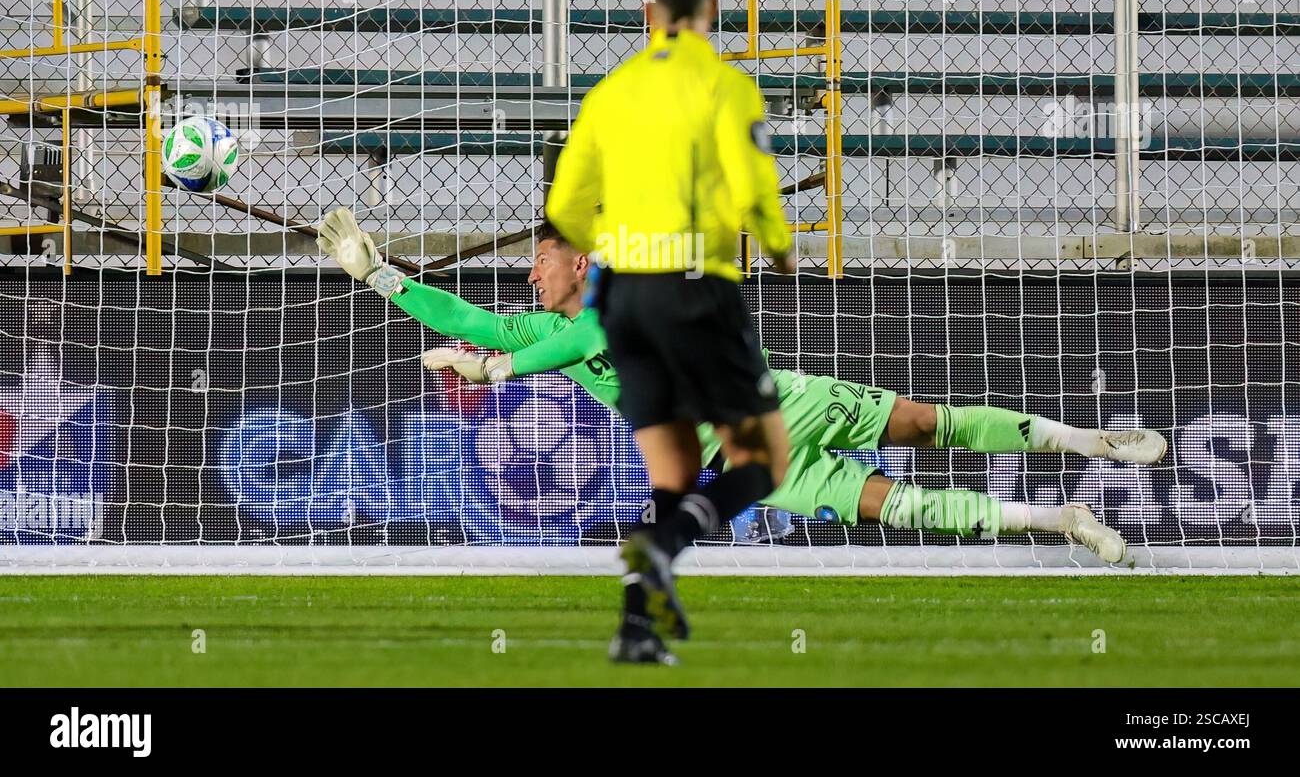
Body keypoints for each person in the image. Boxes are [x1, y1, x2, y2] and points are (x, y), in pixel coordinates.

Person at [318, 210, 1168, 665]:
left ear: (581, 262)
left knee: (921, 424)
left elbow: (572, 347)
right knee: (895, 507)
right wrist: (379, 273)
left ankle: (1092, 443)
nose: (530, 272)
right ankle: (1062, 523)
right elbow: (467, 316)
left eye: (542, 259)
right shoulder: (547, 325)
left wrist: (496, 373)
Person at [543, 0, 799, 662]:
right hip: (694, 287)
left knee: (671, 472)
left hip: (623, 296)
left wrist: (618, 241)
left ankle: (635, 628)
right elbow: (752, 188)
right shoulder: (725, 85)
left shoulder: (609, 92)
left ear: (647, 14)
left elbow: (563, 204)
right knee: (766, 457)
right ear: (710, 10)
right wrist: (780, 248)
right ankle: (664, 547)